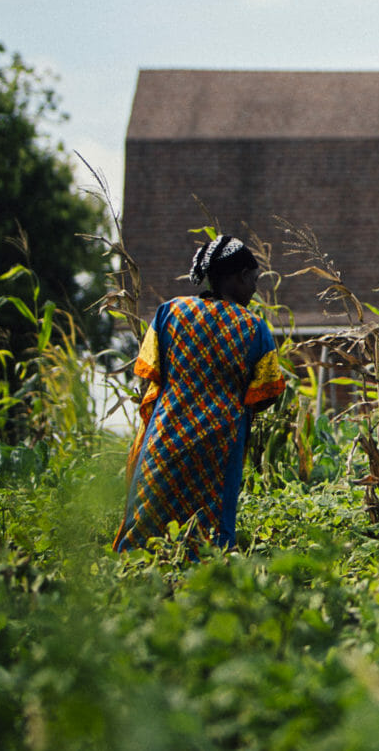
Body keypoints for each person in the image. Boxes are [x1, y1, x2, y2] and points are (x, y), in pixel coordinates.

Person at [113, 235, 288, 553]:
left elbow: (148, 371)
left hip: (165, 437)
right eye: (252, 280)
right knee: (209, 533)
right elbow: (268, 391)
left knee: (148, 517)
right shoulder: (254, 327)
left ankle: (136, 577)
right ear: (236, 278)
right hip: (220, 446)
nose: (254, 289)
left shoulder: (169, 313)